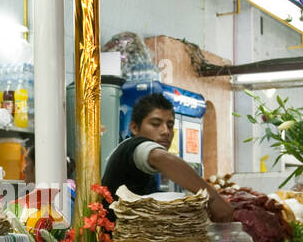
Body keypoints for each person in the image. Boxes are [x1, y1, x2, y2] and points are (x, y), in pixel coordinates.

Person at [101, 92, 236, 222]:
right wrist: (214, 199)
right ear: (135, 128)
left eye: (170, 125)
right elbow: (160, 158)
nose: (166, 131)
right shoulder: (134, 147)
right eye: (155, 124)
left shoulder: (134, 156)